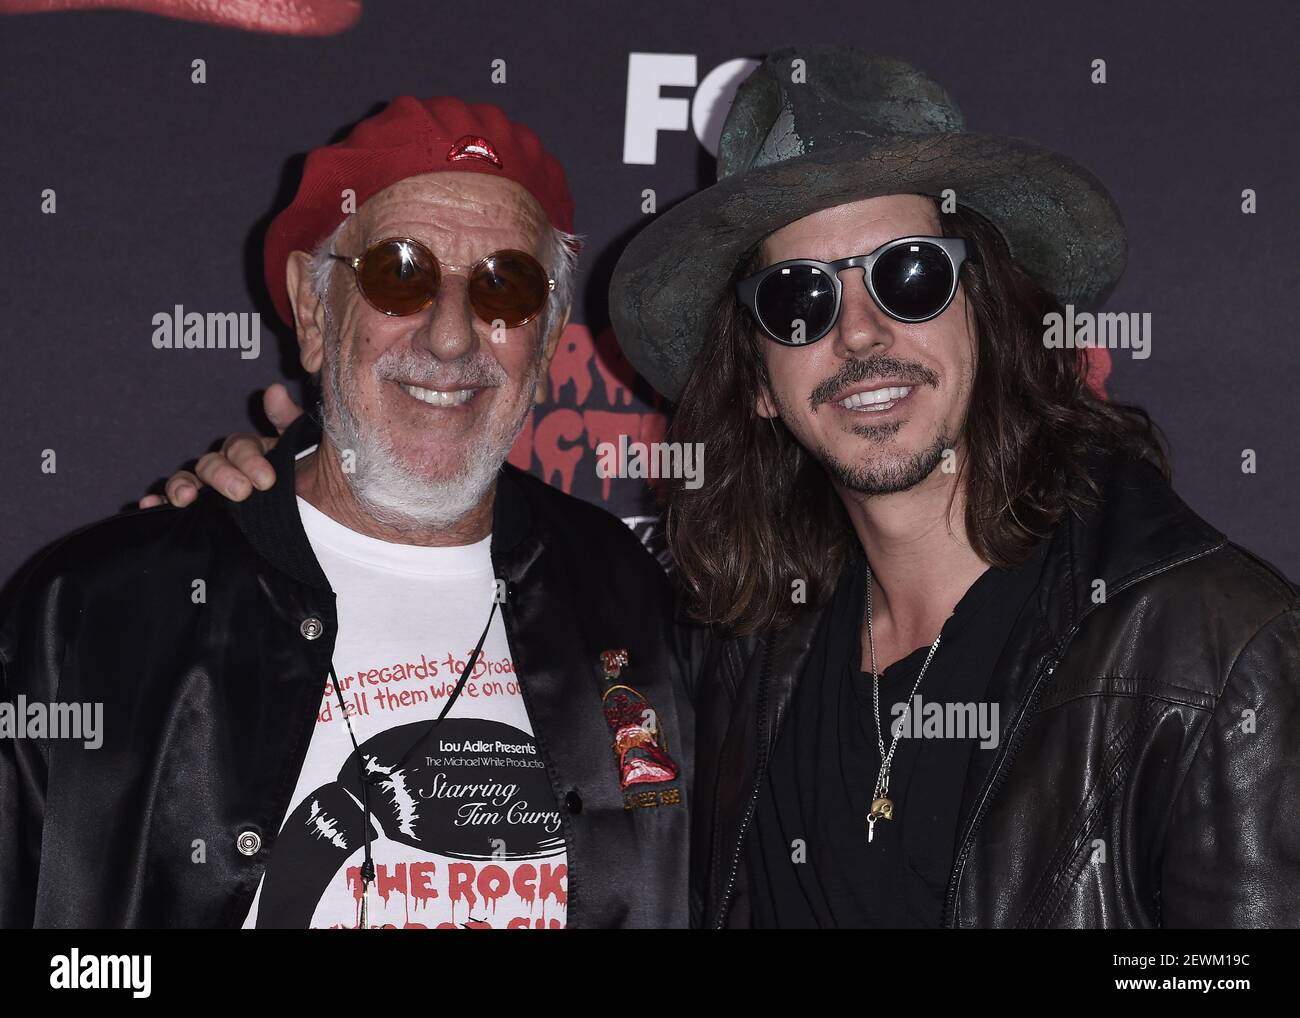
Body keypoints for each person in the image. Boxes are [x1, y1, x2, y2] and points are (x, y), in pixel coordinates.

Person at [152, 47, 1300, 929]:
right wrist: (267, 510)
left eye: (907, 277)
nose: (857, 335)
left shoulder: (1207, 656)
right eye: (797, 300)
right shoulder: (736, 644)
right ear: (757, 378)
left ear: (991, 315)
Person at [0, 96, 693, 929]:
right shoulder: (97, 614)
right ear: (314, 309)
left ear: (545, 341)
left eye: (504, 285)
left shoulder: (634, 601)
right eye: (400, 272)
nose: (449, 337)